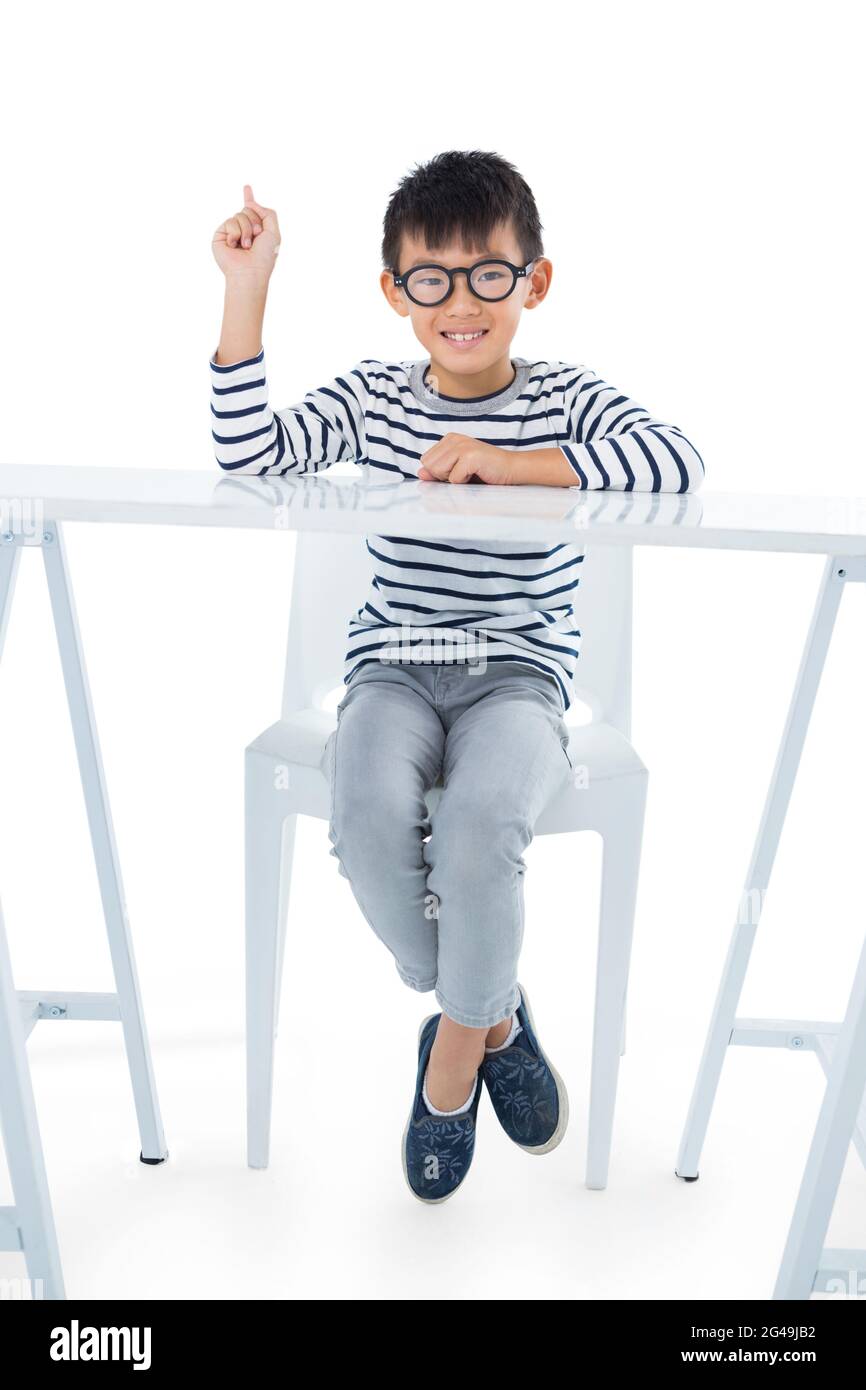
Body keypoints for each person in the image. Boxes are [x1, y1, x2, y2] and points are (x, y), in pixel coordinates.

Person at [209, 150, 705, 1204]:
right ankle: (492, 1012)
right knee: (366, 811)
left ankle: (447, 1069)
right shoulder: (374, 400)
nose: (460, 302)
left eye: (488, 274)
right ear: (396, 293)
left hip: (516, 678)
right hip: (392, 668)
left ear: (533, 281)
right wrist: (246, 293)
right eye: (430, 279)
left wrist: (510, 462)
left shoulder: (566, 401)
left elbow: (675, 463)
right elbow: (251, 457)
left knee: (483, 826)